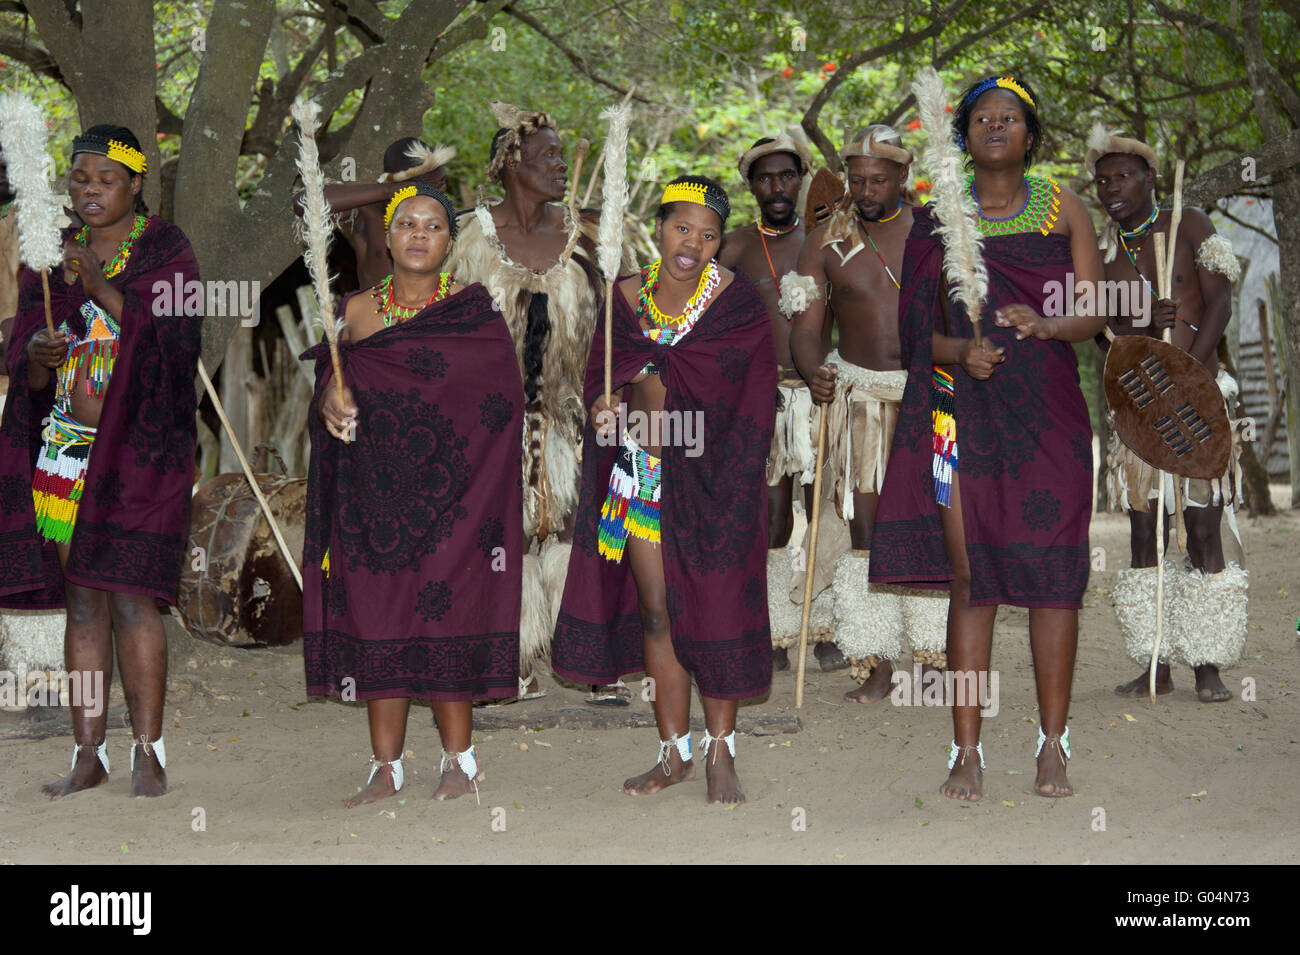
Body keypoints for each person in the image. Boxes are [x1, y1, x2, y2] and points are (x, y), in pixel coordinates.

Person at [868, 77, 1105, 801]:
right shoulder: (933, 216)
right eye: (980, 118)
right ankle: (965, 751)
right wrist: (955, 352)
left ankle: (1052, 743)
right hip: (959, 419)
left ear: (1030, 134)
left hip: (1051, 418)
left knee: (1054, 579)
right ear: (964, 134)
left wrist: (1047, 325)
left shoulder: (1065, 207)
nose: (995, 126)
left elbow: (1093, 312)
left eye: (1009, 118)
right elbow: (910, 336)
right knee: (972, 581)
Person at [551, 175, 776, 804]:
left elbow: (754, 393)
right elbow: (605, 373)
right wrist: (605, 407)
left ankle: (720, 749)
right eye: (683, 228)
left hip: (717, 478)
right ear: (661, 226)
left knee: (717, 608)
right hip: (642, 473)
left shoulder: (736, 302)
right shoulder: (624, 296)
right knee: (658, 609)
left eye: (708, 236)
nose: (693, 244)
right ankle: (673, 750)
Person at [302, 184, 524, 805]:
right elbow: (330, 385)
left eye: (432, 225)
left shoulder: (474, 310)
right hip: (373, 498)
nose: (419, 234)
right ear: (388, 236)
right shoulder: (353, 309)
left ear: (450, 243)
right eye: (406, 223)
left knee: (446, 617)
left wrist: (470, 484)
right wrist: (329, 398)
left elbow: (503, 400)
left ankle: (461, 760)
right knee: (378, 619)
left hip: (457, 500)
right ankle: (385, 767)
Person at [0, 125, 202, 797]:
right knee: (83, 603)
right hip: (64, 454)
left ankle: (149, 749)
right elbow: (25, 367)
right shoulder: (48, 255)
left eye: (105, 180)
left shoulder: (166, 249)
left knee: (134, 603)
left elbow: (174, 347)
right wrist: (35, 358)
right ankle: (89, 751)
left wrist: (97, 281)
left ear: (135, 185)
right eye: (80, 179)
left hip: (140, 457)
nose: (89, 191)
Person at [445, 102, 627, 703]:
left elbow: (625, 321)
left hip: (574, 413)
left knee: (581, 529)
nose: (560, 166)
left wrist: (615, 392)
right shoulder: (468, 238)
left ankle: (587, 656)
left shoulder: (592, 233)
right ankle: (511, 659)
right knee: (506, 538)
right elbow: (439, 324)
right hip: (489, 421)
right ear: (508, 162)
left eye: (561, 155)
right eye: (547, 155)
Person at [788, 124, 950, 703]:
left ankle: (933, 660)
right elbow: (805, 330)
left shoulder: (935, 231)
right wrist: (815, 372)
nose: (866, 189)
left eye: (878, 179)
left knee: (936, 522)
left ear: (903, 177)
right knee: (866, 529)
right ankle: (876, 663)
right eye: (856, 179)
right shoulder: (825, 241)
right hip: (861, 397)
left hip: (932, 396)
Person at [1087, 125, 1248, 703]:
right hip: (1139, 409)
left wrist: (1187, 376)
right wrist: (1139, 333)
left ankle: (1208, 664)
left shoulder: (1190, 224)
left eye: (1123, 175)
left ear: (1150, 176)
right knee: (1142, 526)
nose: (1111, 187)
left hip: (1198, 399)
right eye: (1102, 180)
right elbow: (1104, 340)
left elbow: (1222, 300)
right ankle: (1155, 661)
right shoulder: (1104, 254)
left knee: (1202, 524)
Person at [719, 131, 844, 672]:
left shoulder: (831, 240)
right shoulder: (735, 248)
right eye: (765, 177)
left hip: (822, 390)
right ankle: (770, 628)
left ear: (800, 180)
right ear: (750, 185)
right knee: (770, 519)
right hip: (763, 397)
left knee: (827, 512)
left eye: (787, 175)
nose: (777, 185)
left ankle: (824, 628)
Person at [296, 137, 455, 289]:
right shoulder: (369, 211)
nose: (436, 194)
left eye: (441, 184)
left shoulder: (446, 220)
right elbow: (303, 203)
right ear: (397, 186)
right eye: (423, 188)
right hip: (378, 314)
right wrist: (387, 191)